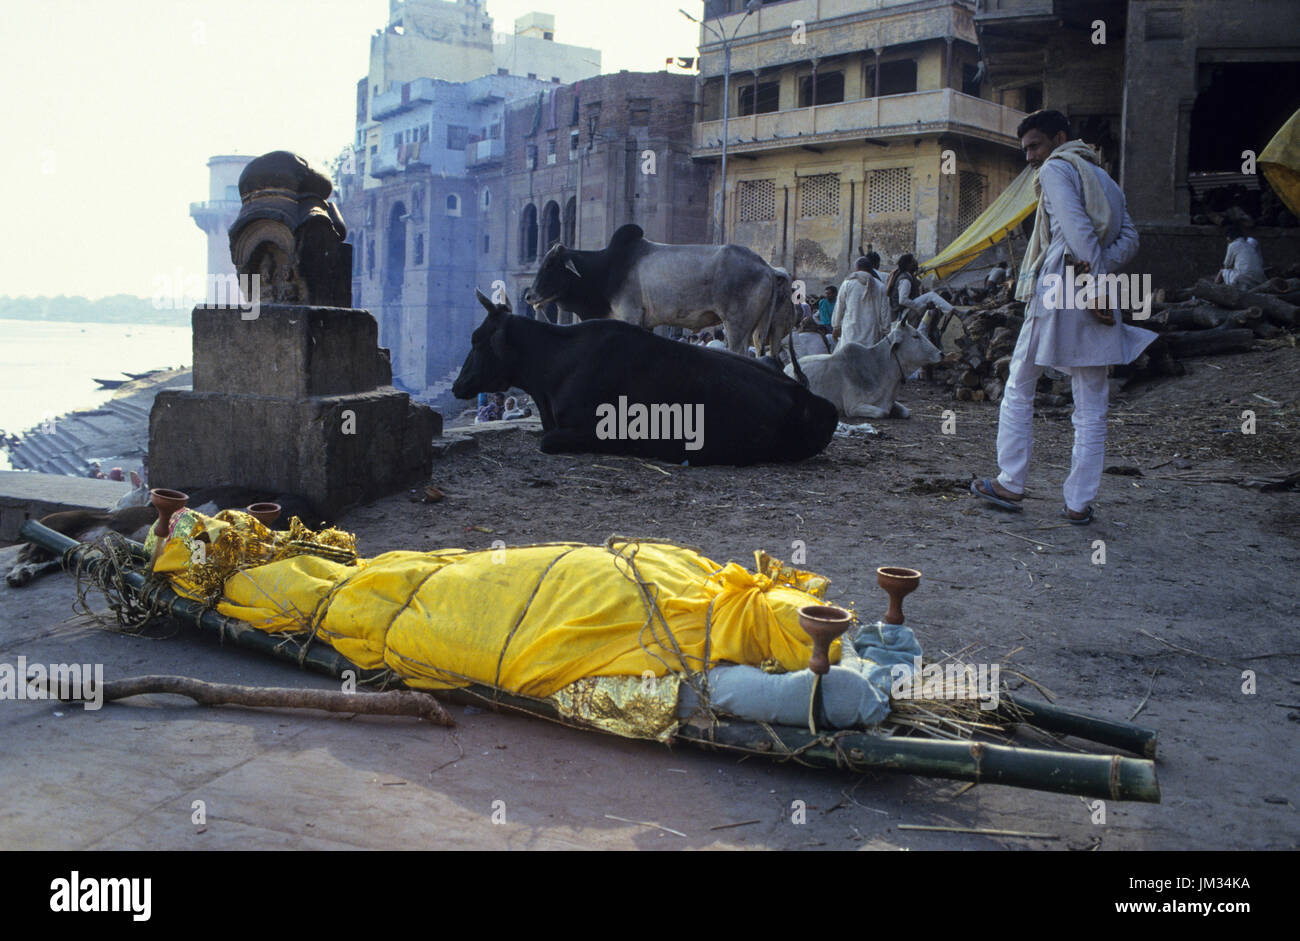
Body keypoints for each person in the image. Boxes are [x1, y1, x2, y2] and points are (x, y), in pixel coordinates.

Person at [970, 109, 1156, 524]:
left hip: (1064, 282)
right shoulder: (1104, 177)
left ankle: (1010, 481)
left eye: (1034, 145)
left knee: (1020, 381)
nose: (1030, 157)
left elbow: (1075, 231)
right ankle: (1079, 502)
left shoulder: (1057, 168)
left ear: (1058, 137)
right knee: (1092, 400)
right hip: (1096, 284)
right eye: (1025, 150)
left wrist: (1091, 282)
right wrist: (1103, 278)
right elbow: (1130, 238)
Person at [831, 254, 890, 347]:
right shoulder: (880, 286)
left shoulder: (847, 283)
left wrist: (836, 326)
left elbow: (839, 306)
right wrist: (886, 331)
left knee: (849, 358)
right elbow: (885, 312)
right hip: (871, 333)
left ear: (856, 268)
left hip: (850, 332)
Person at [886, 254, 955, 323]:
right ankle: (955, 312)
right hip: (902, 312)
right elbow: (902, 300)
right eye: (913, 261)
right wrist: (921, 306)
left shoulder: (908, 276)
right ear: (908, 265)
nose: (915, 263)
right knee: (931, 295)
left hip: (905, 309)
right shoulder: (905, 280)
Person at [1215, 225, 1266, 291]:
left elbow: (1226, 265)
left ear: (1229, 237)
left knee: (1222, 271)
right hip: (1260, 278)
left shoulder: (1232, 245)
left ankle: (1214, 287)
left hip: (1243, 278)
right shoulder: (1249, 244)